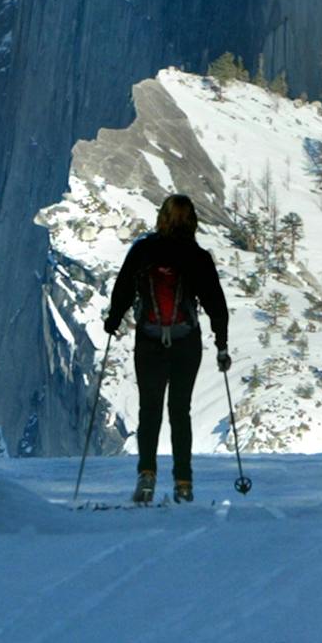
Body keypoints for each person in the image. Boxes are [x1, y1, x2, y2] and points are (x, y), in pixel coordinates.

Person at [104, 193, 231, 504]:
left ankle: (146, 476)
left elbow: (122, 289)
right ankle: (183, 482)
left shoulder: (143, 250)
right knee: (180, 411)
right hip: (186, 342)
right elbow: (216, 304)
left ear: (161, 217)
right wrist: (221, 344)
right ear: (192, 222)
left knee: (149, 411)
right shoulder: (197, 257)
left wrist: (114, 320)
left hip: (149, 341)